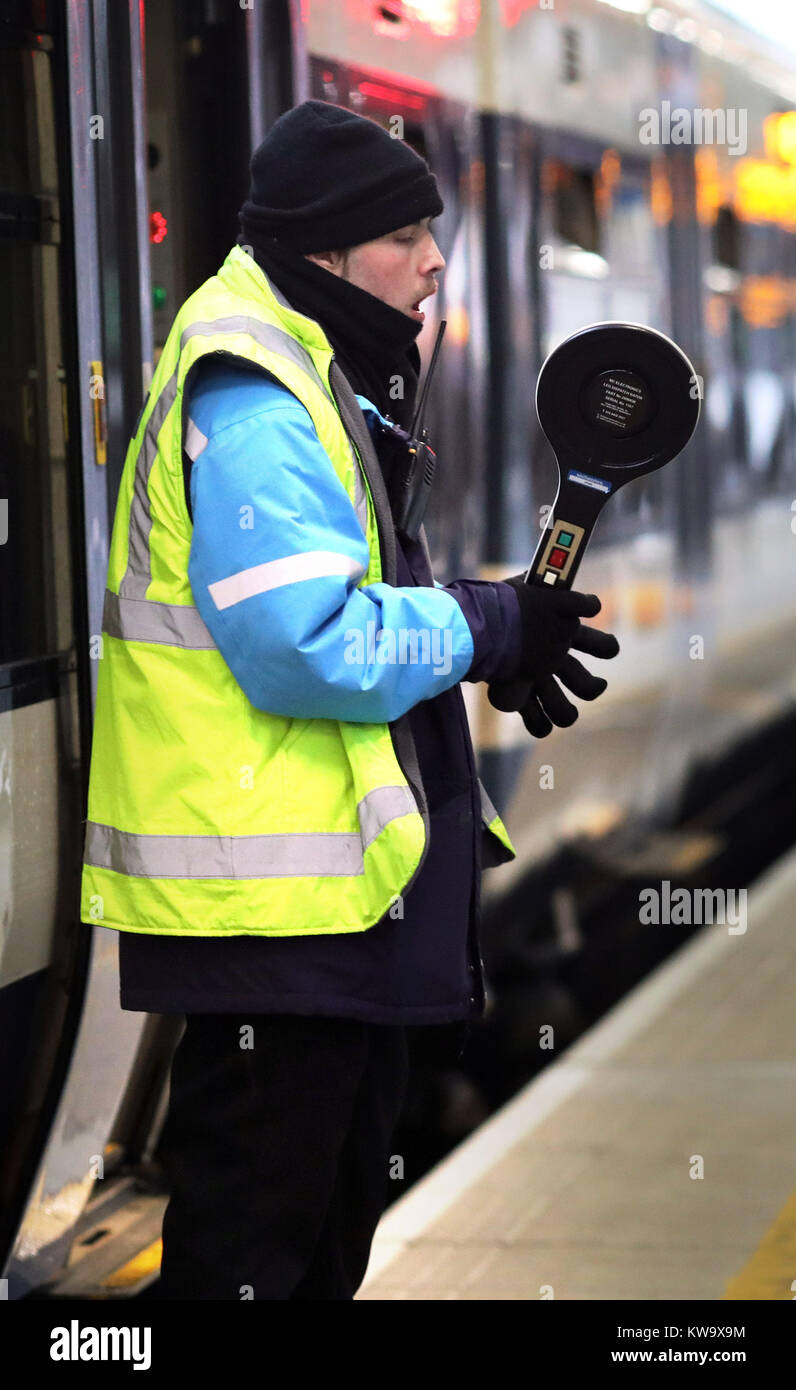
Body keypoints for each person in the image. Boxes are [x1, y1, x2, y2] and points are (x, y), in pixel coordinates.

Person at [80, 100, 619, 1300]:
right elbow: (302, 643)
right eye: (404, 234)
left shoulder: (319, 372)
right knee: (255, 1261)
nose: (434, 261)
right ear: (326, 252)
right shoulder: (257, 393)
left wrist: (502, 638)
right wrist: (488, 624)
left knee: (308, 1254)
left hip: (323, 915)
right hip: (279, 923)